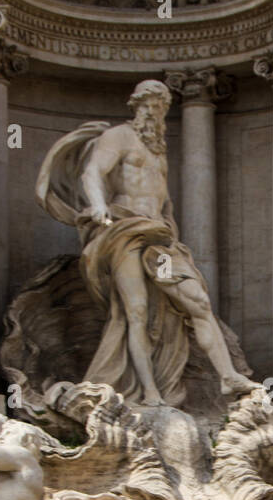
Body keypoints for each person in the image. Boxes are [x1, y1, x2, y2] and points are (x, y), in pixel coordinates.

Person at [36, 79, 258, 407]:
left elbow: (164, 202)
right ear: (136, 105)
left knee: (197, 302)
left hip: (158, 239)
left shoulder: (158, 152)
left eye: (161, 106)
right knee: (135, 311)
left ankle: (227, 375)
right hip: (122, 230)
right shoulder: (118, 136)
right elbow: (92, 173)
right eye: (150, 105)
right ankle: (149, 392)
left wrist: (173, 233)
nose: (155, 112)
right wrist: (97, 204)